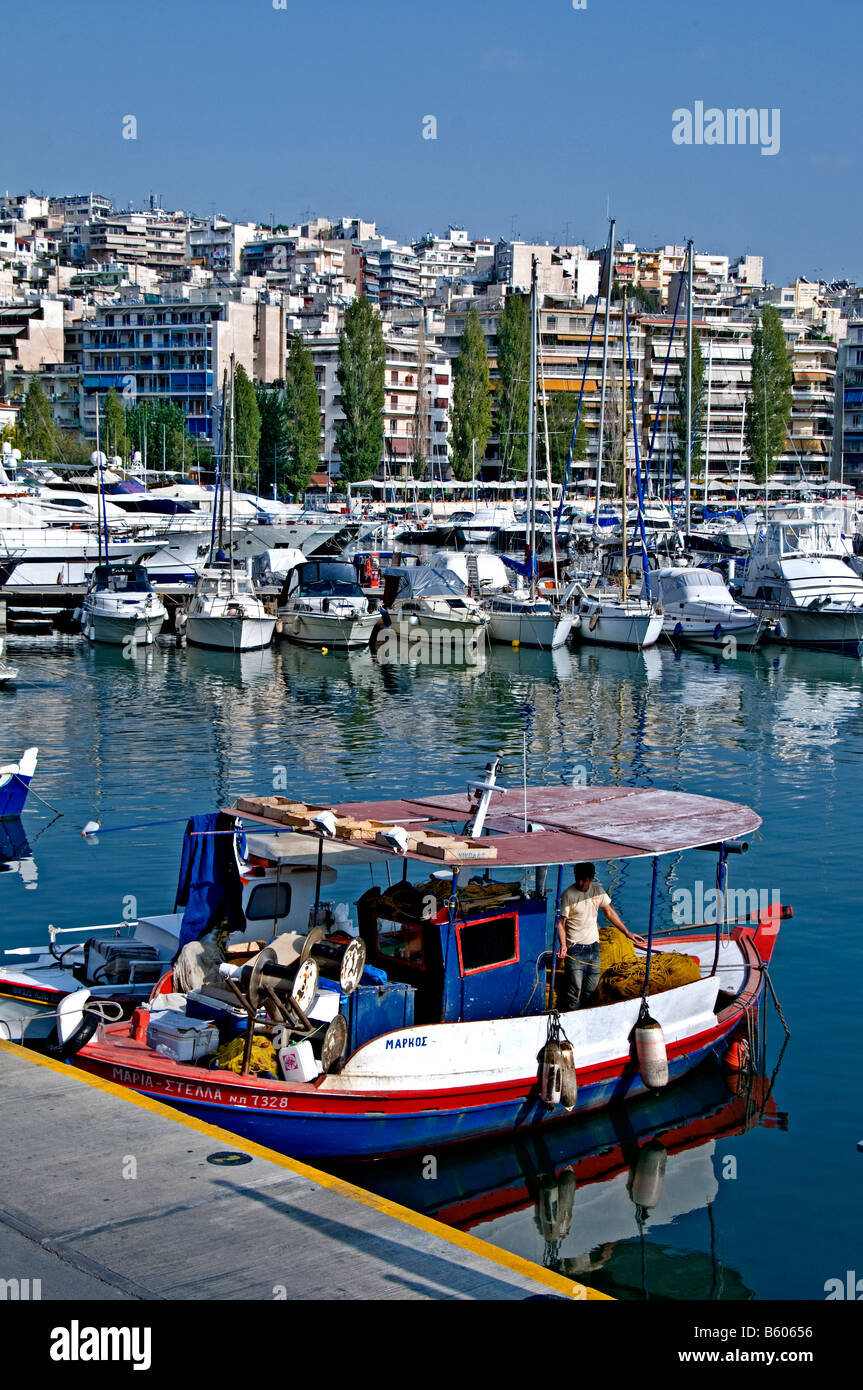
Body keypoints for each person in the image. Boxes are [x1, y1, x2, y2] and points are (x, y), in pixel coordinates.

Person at [556, 862, 647, 1011]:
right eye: (577, 878)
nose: (580, 883)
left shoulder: (598, 891)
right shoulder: (568, 894)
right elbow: (561, 923)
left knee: (591, 986)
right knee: (575, 988)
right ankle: (572, 1015)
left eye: (584, 880)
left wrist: (627, 932)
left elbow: (609, 913)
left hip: (594, 948)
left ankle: (586, 1012)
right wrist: (563, 945)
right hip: (575, 949)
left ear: (591, 878)